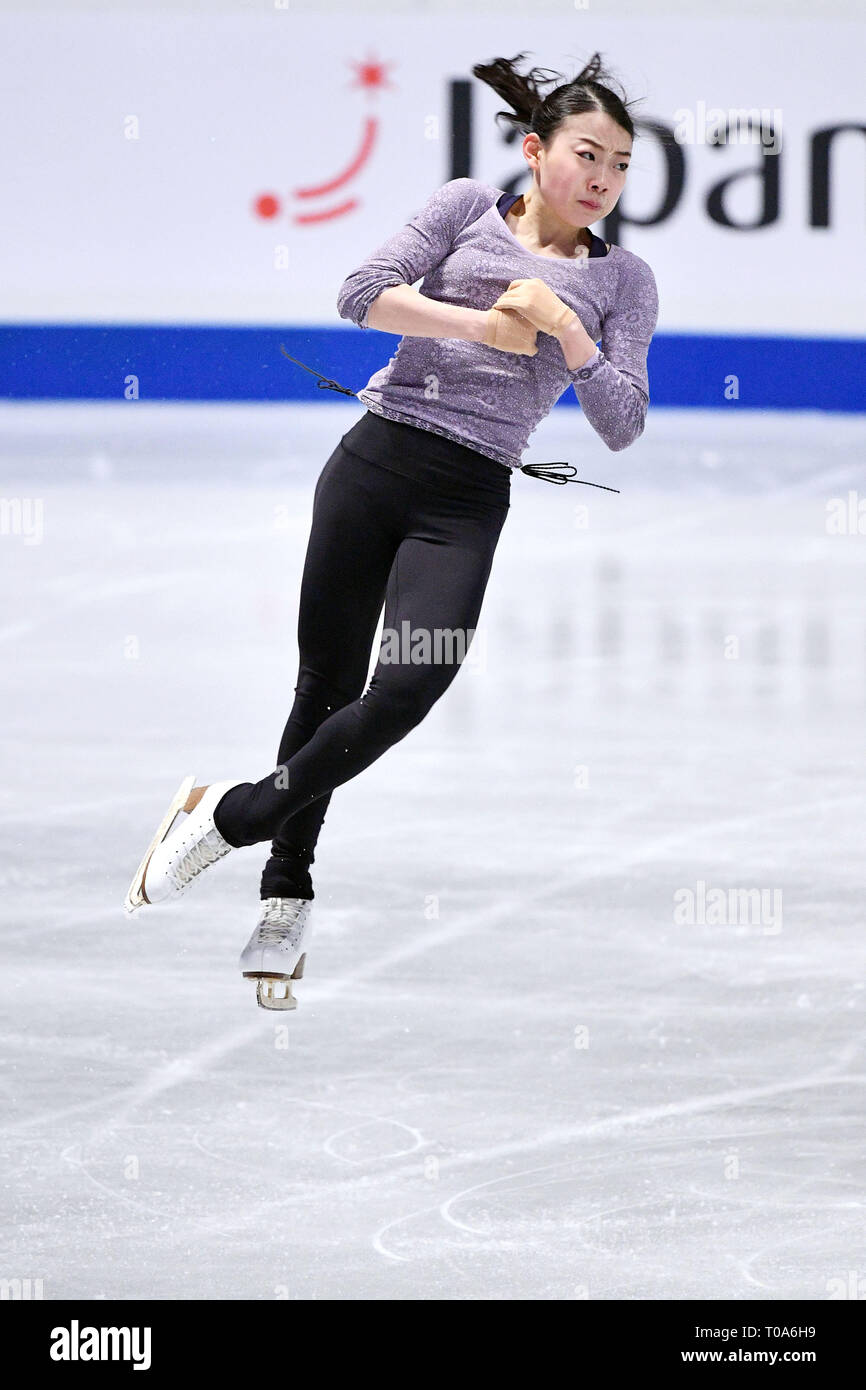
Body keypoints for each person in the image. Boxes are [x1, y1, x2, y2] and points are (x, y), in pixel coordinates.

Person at [123, 50, 659, 1011]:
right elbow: (359, 291)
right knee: (323, 684)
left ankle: (230, 819)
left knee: (411, 683)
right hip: (373, 466)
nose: (604, 180)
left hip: (466, 502)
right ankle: (287, 891)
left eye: (621, 166)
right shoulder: (463, 207)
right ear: (536, 152)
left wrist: (568, 334)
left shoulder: (624, 281)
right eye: (588, 155)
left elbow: (623, 422)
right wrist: (481, 328)